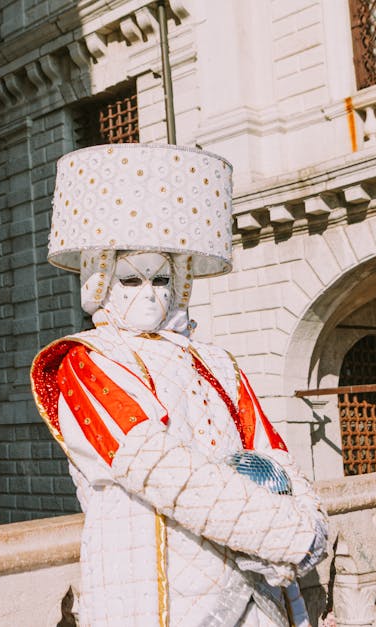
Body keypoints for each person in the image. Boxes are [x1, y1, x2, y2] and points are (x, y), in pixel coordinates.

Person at [30, 144, 328, 626]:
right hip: (157, 587)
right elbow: (160, 467)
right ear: (100, 280)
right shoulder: (85, 361)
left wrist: (311, 520)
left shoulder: (216, 360)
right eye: (130, 280)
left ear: (180, 281)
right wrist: (287, 535)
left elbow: (273, 452)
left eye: (161, 278)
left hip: (259, 590)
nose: (149, 293)